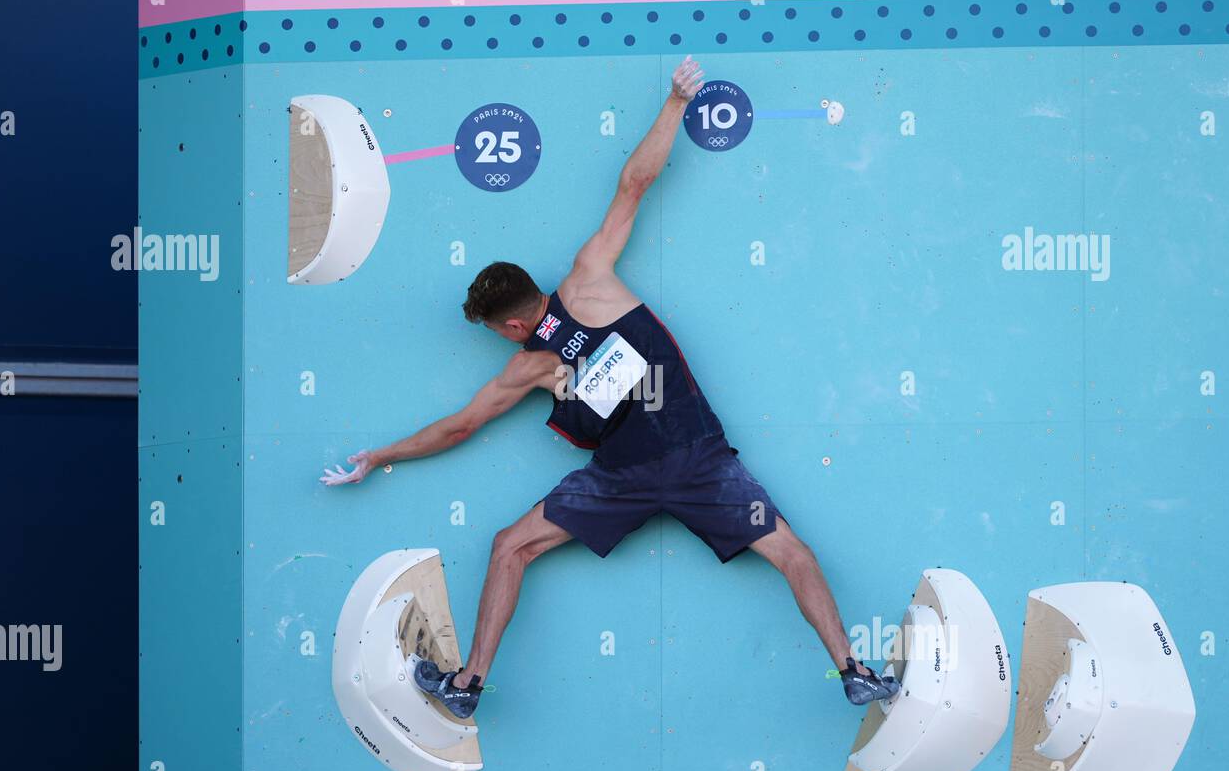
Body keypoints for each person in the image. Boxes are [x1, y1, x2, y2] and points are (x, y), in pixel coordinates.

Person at [321, 56, 898, 717]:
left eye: (495, 330)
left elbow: (458, 427)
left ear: (512, 323)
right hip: (699, 462)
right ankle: (855, 671)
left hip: (621, 477)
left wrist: (380, 456)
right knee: (792, 552)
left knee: (510, 546)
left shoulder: (529, 366)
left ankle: (468, 684)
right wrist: (678, 102)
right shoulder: (591, 275)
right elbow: (635, 182)